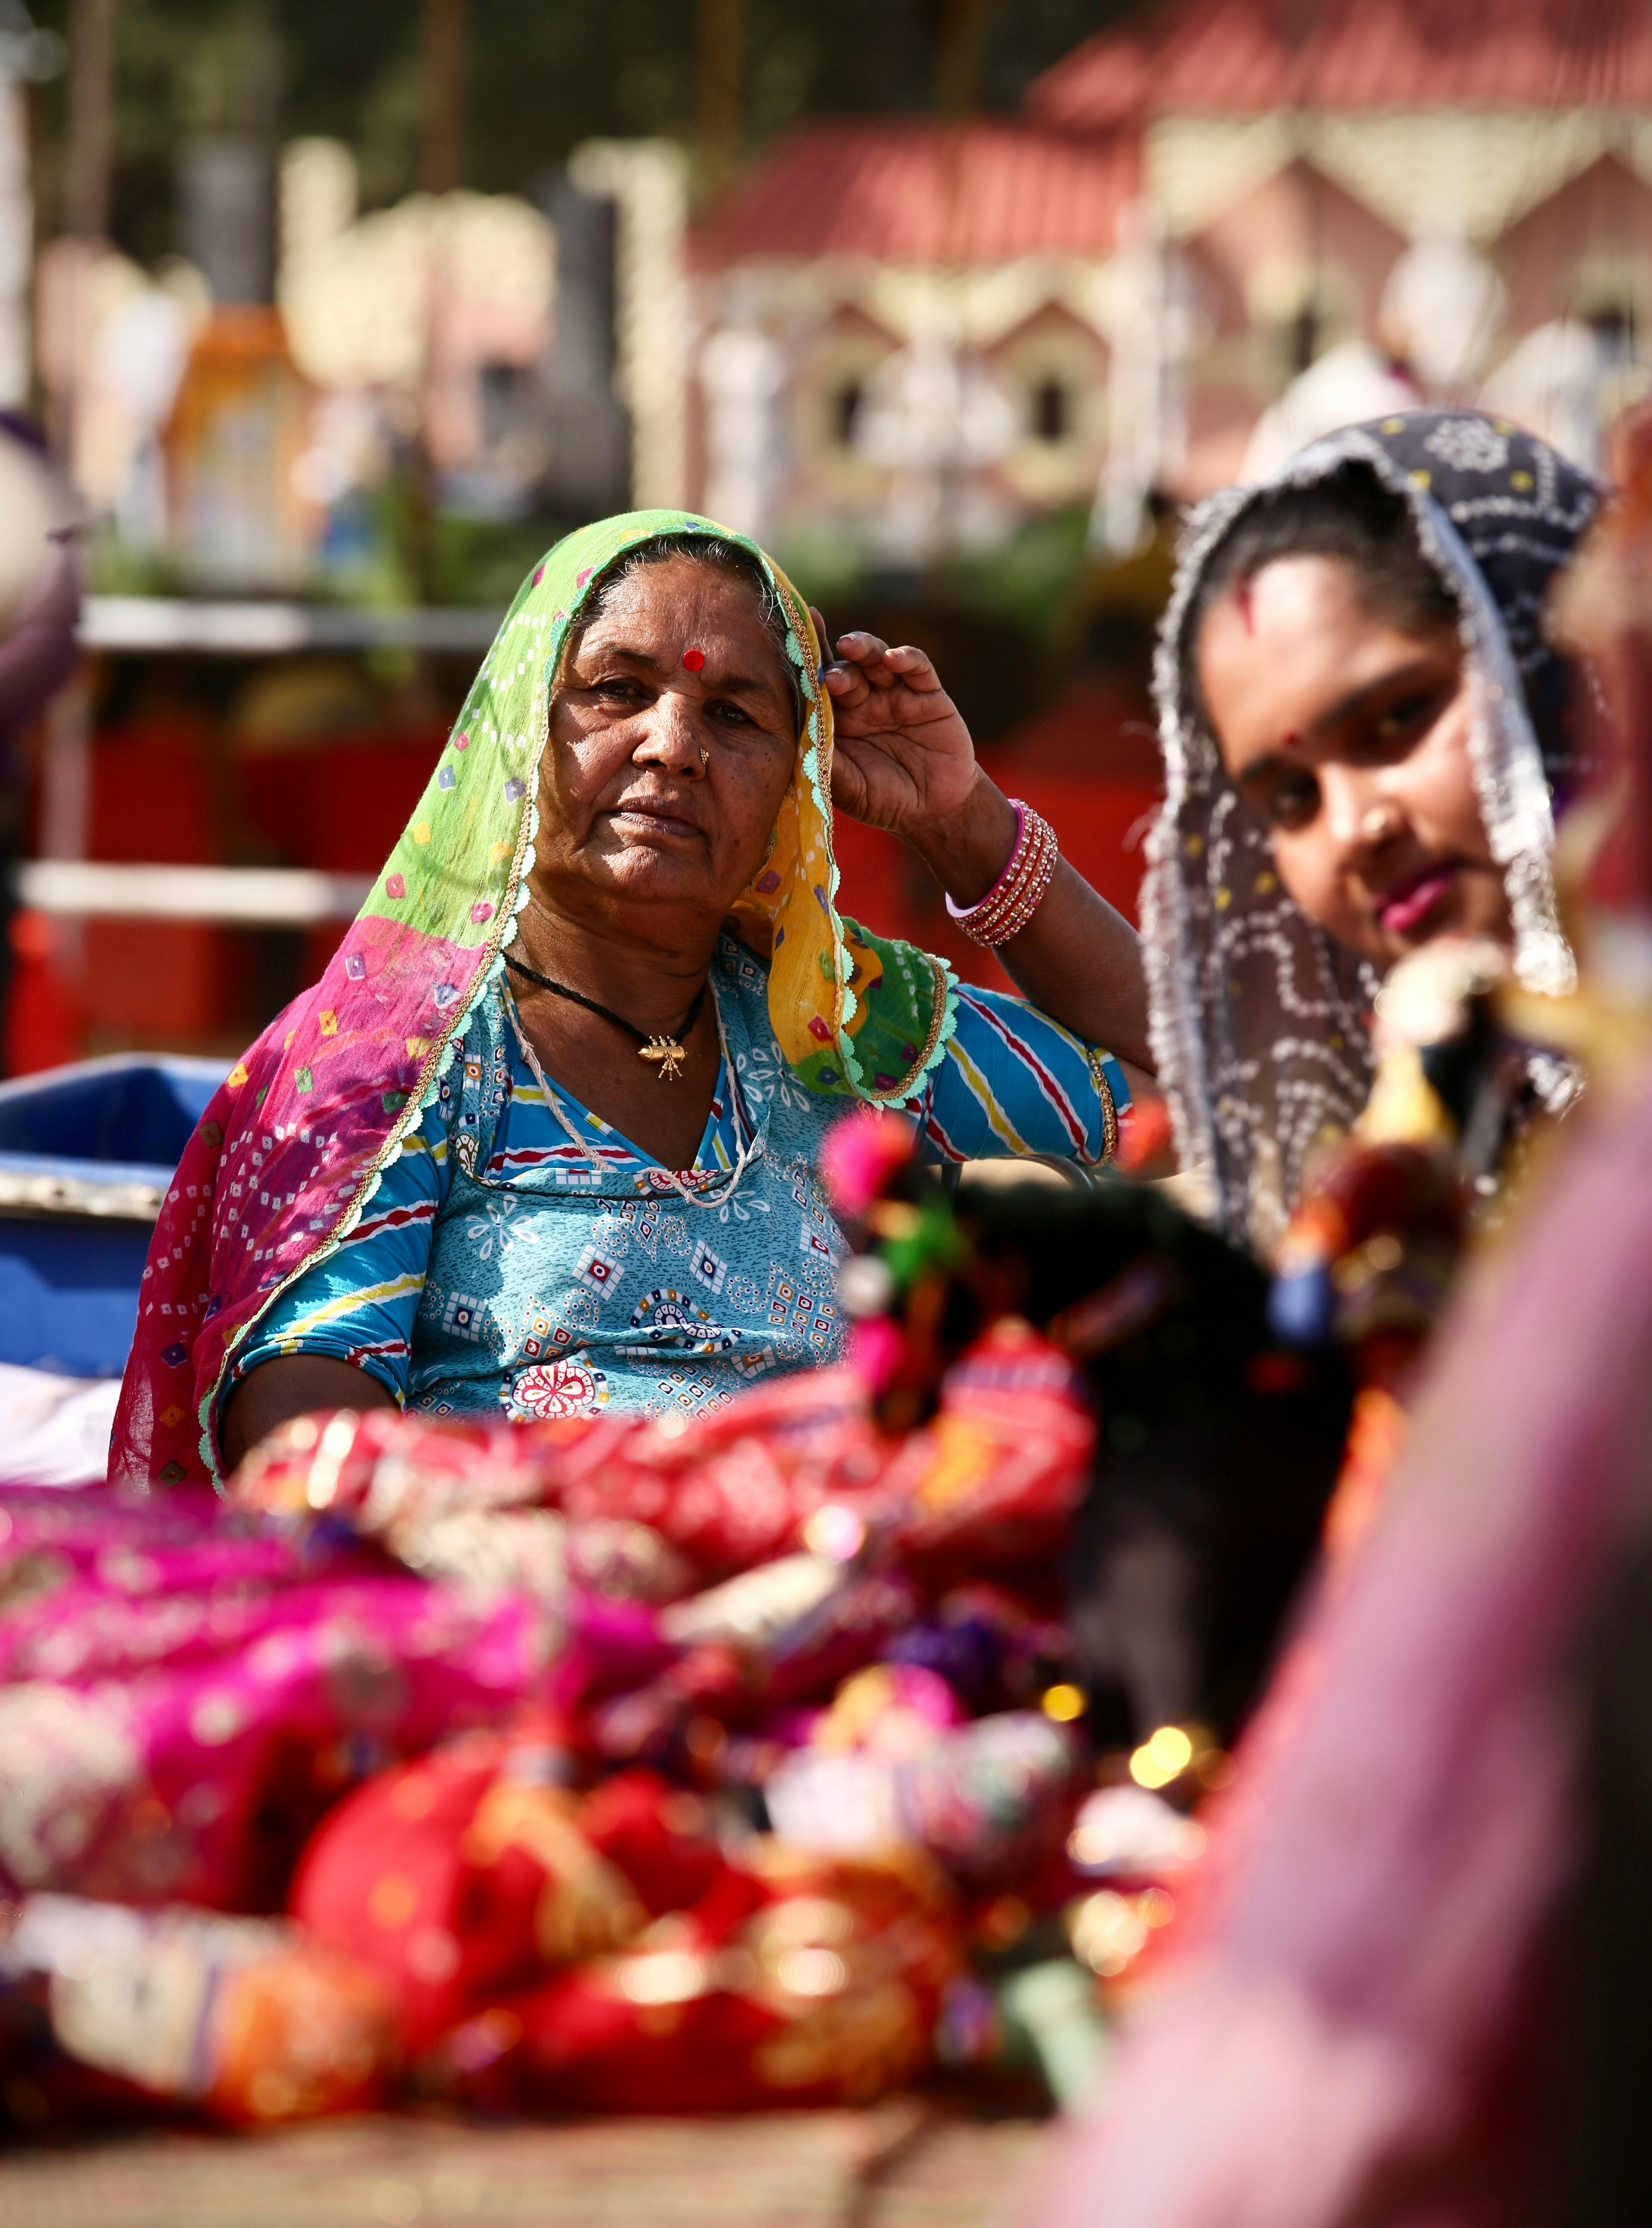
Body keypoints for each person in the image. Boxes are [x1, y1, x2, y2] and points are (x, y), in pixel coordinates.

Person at [110, 511, 1152, 1491]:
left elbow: (1193, 1098)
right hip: (523, 1606)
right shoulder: (386, 1055)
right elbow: (305, 1432)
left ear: (796, 779)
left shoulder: (835, 1017)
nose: (674, 744)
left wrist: (967, 826)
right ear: (523, 723)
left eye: (735, 715)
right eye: (617, 690)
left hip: (823, 1587)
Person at [1145, 409, 1600, 1255]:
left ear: (1551, 659)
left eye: (1398, 718)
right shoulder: (1419, 1114)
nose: (1356, 830)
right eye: (1290, 801)